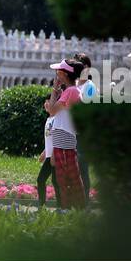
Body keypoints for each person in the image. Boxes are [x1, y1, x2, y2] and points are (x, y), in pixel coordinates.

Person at [40, 59, 87, 209]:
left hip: (64, 139)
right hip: (63, 139)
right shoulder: (70, 91)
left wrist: (55, 90)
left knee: (67, 178)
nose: (56, 75)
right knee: (65, 179)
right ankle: (71, 209)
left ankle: (71, 209)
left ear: (64, 74)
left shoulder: (71, 91)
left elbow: (52, 111)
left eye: (58, 72)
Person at [72, 51, 96, 198]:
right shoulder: (73, 84)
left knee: (82, 167)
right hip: (70, 131)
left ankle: (85, 200)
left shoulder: (90, 86)